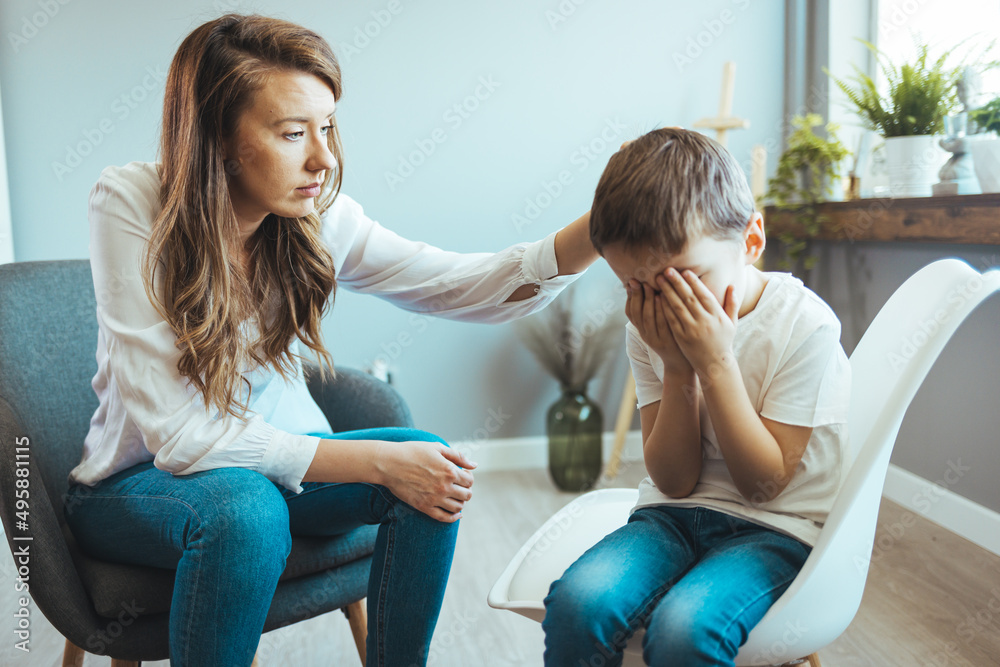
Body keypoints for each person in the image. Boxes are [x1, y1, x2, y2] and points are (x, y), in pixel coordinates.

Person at [62, 13, 598, 667]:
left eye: (327, 128)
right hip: (137, 485)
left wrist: (599, 230)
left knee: (431, 468)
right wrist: (375, 462)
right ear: (218, 137)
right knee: (248, 510)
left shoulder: (316, 215)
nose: (324, 159)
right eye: (294, 133)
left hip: (271, 472)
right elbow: (180, 434)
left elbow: (460, 285)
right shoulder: (130, 202)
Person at [541, 127, 852, 666]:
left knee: (685, 630)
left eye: (685, 281)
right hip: (672, 516)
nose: (666, 305)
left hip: (776, 529)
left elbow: (763, 485)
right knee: (577, 604)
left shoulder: (803, 326)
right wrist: (678, 370)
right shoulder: (647, 330)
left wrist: (715, 362)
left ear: (751, 241)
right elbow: (674, 481)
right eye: (638, 288)